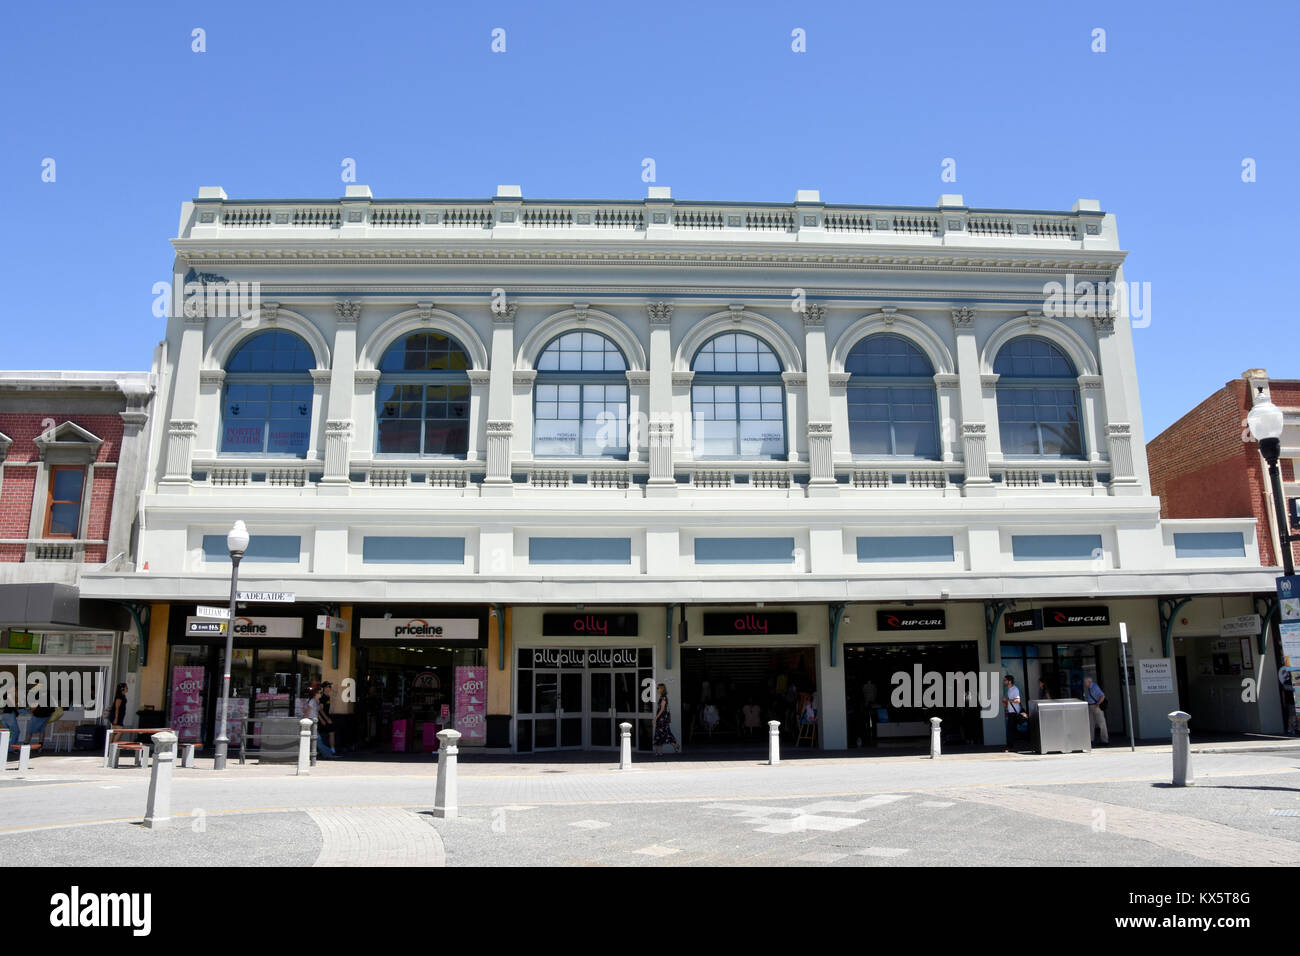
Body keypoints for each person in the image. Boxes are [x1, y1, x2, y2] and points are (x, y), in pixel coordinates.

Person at [303, 687, 336, 759]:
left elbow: (316, 712)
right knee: (318, 739)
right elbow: (307, 712)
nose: (321, 694)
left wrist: (321, 720)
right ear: (316, 694)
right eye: (319, 692)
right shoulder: (312, 701)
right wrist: (304, 722)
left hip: (314, 721)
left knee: (316, 739)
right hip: (310, 721)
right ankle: (327, 753)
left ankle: (316, 753)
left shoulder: (317, 701)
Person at [653, 683, 679, 755]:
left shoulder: (664, 698)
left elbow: (662, 709)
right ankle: (659, 751)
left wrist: (656, 718)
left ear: (662, 689)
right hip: (661, 719)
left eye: (658, 688)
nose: (657, 689)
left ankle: (675, 746)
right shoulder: (662, 697)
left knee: (665, 734)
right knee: (660, 734)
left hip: (662, 719)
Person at [1084, 677, 1109, 745]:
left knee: (1101, 723)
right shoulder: (1089, 688)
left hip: (1096, 706)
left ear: (1089, 682)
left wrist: (1098, 704)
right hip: (1091, 706)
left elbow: (1102, 696)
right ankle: (1091, 740)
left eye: (1085, 682)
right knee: (1091, 724)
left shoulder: (1094, 687)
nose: (1084, 683)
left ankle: (1105, 740)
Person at [1003, 675, 1024, 752]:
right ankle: (1012, 746)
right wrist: (1005, 702)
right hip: (1010, 712)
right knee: (1012, 730)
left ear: (1010, 681)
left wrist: (1008, 700)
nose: (1004, 681)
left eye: (1005, 680)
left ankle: (1010, 747)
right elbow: (1010, 702)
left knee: (1010, 730)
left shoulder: (1015, 689)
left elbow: (1018, 700)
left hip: (1014, 713)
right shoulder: (1009, 690)